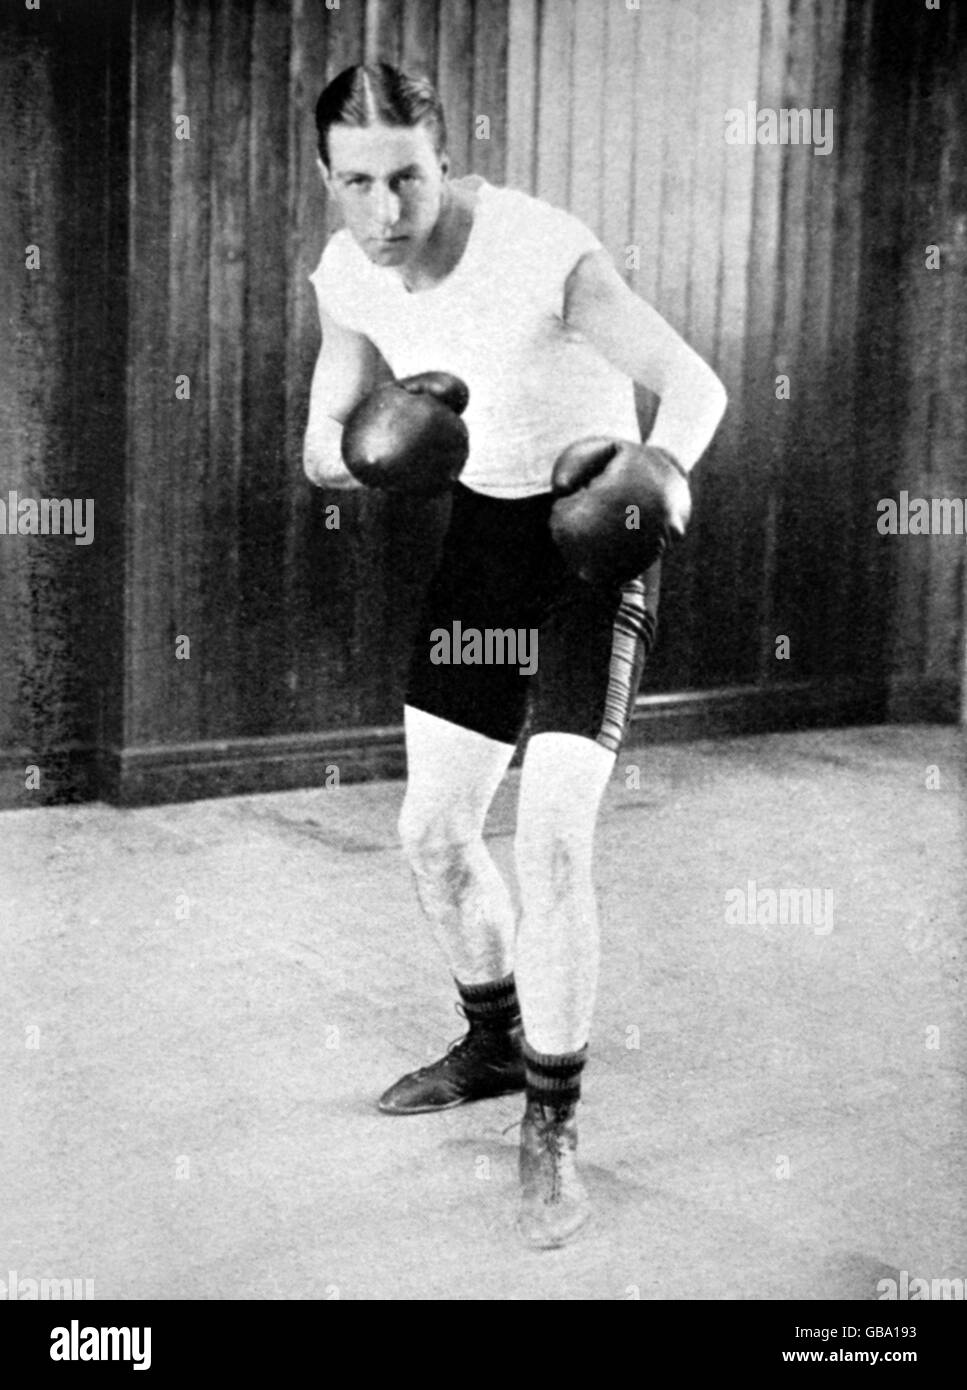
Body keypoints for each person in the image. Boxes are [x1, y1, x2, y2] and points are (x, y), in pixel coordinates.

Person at [303, 63, 727, 1248]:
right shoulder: (346, 275)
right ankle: (491, 1042)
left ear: (448, 161)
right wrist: (383, 444)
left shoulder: (542, 249)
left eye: (409, 180)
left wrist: (654, 481)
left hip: (594, 534)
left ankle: (552, 1118)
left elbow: (693, 383)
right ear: (325, 178)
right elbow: (320, 446)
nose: (386, 213)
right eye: (358, 185)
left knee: (548, 834)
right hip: (486, 536)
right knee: (431, 836)